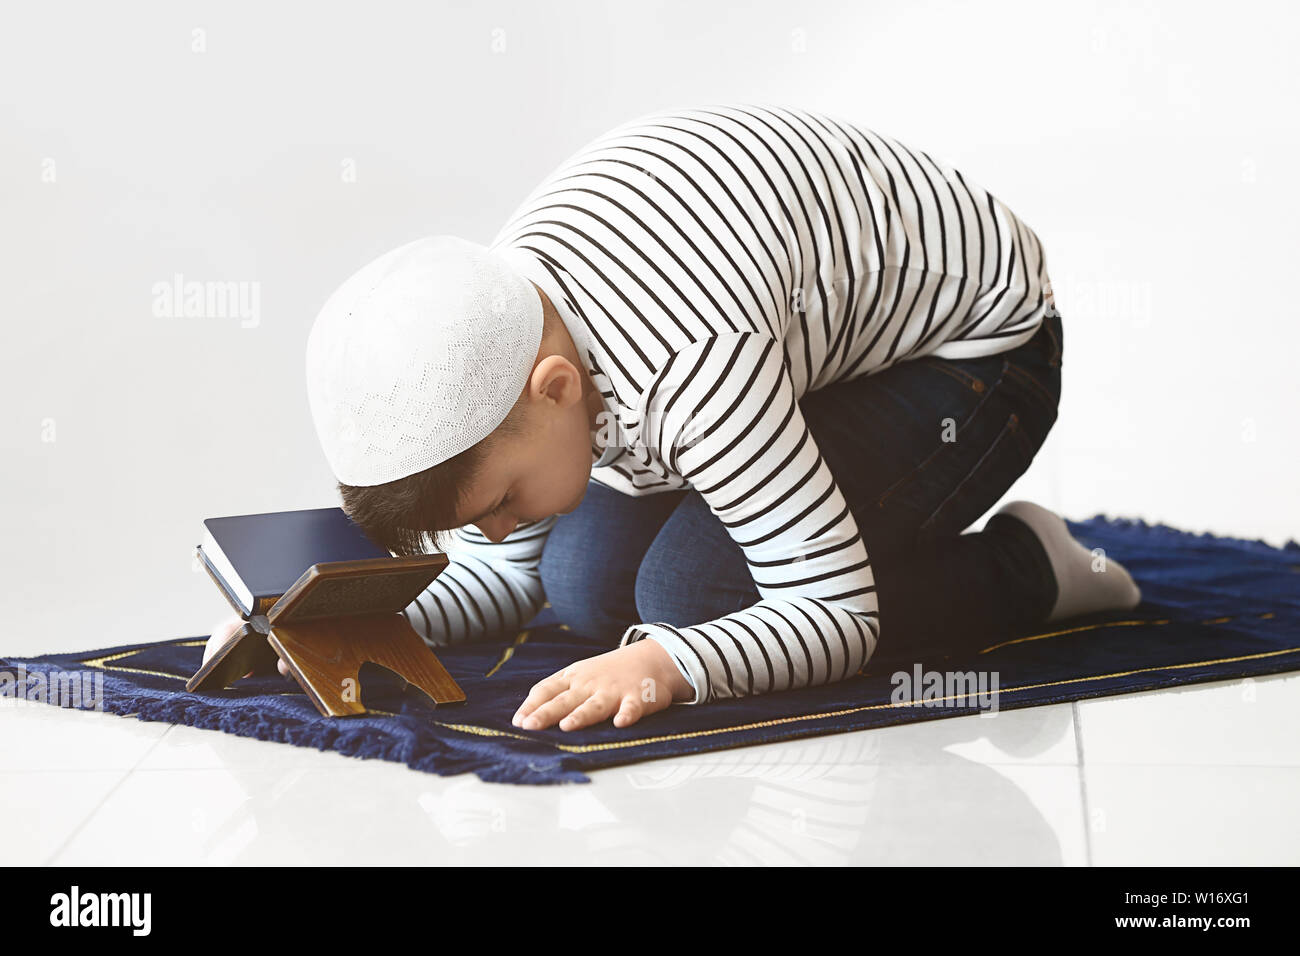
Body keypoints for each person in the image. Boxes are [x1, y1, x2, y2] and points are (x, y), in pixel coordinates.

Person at [205, 103, 1140, 730]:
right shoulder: (501, 332)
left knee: (691, 602)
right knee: (581, 585)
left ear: (558, 389)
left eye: (495, 503)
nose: (492, 533)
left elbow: (833, 613)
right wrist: (344, 624)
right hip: (798, 333)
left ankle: (1031, 568)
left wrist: (671, 667)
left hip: (977, 357)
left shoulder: (691, 369)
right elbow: (508, 574)